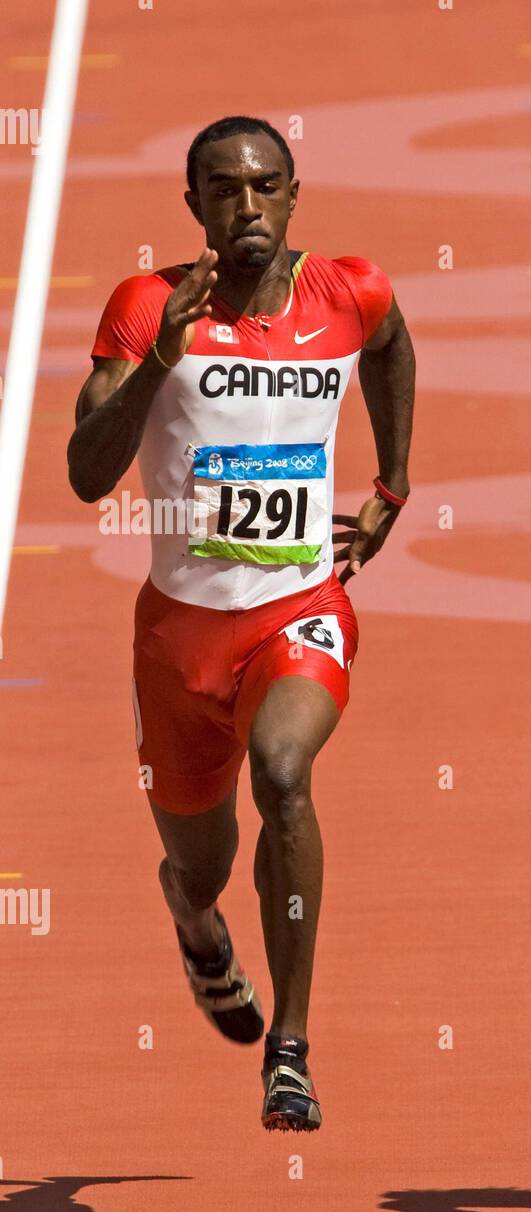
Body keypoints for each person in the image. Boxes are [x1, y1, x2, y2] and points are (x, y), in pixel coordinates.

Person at [68, 115, 416, 1131]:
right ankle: (193, 916)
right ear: (196, 209)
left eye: (266, 188)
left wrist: (394, 481)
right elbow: (88, 474)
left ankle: (292, 1047)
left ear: (296, 193)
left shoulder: (349, 292)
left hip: (297, 614)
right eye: (224, 192)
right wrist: (158, 364)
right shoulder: (146, 307)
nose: (248, 208)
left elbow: (393, 346)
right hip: (179, 644)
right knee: (202, 860)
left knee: (285, 772)